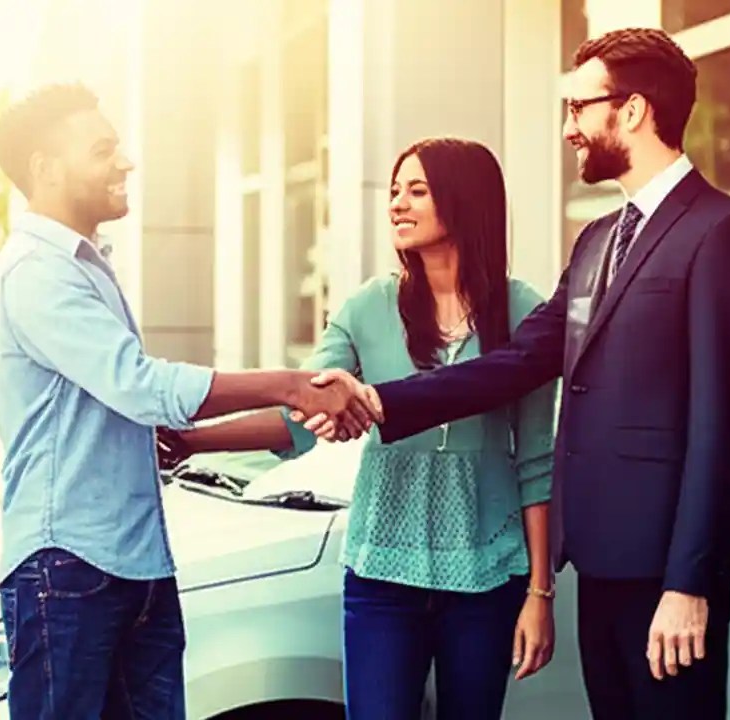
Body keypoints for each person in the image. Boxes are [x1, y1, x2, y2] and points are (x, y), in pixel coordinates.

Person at [304, 29, 730, 720]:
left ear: (633, 110)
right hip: (602, 561)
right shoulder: (596, 241)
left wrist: (690, 582)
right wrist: (377, 401)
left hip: (665, 575)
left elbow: (723, 421)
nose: (569, 129)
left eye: (580, 108)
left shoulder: (721, 230)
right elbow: (518, 363)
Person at [0, 83, 375, 720]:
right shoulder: (37, 271)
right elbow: (140, 387)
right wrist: (286, 383)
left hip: (135, 562)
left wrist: (195, 439)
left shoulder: (85, 265)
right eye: (103, 149)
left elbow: (124, 408)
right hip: (69, 567)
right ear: (44, 169)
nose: (126, 162)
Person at [160, 137, 558, 719]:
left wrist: (539, 595)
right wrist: (189, 440)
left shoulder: (526, 312)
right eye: (395, 191)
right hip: (382, 578)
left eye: (417, 190)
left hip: (486, 576)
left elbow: (537, 460)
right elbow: (298, 416)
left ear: (465, 200)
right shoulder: (368, 306)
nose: (397, 203)